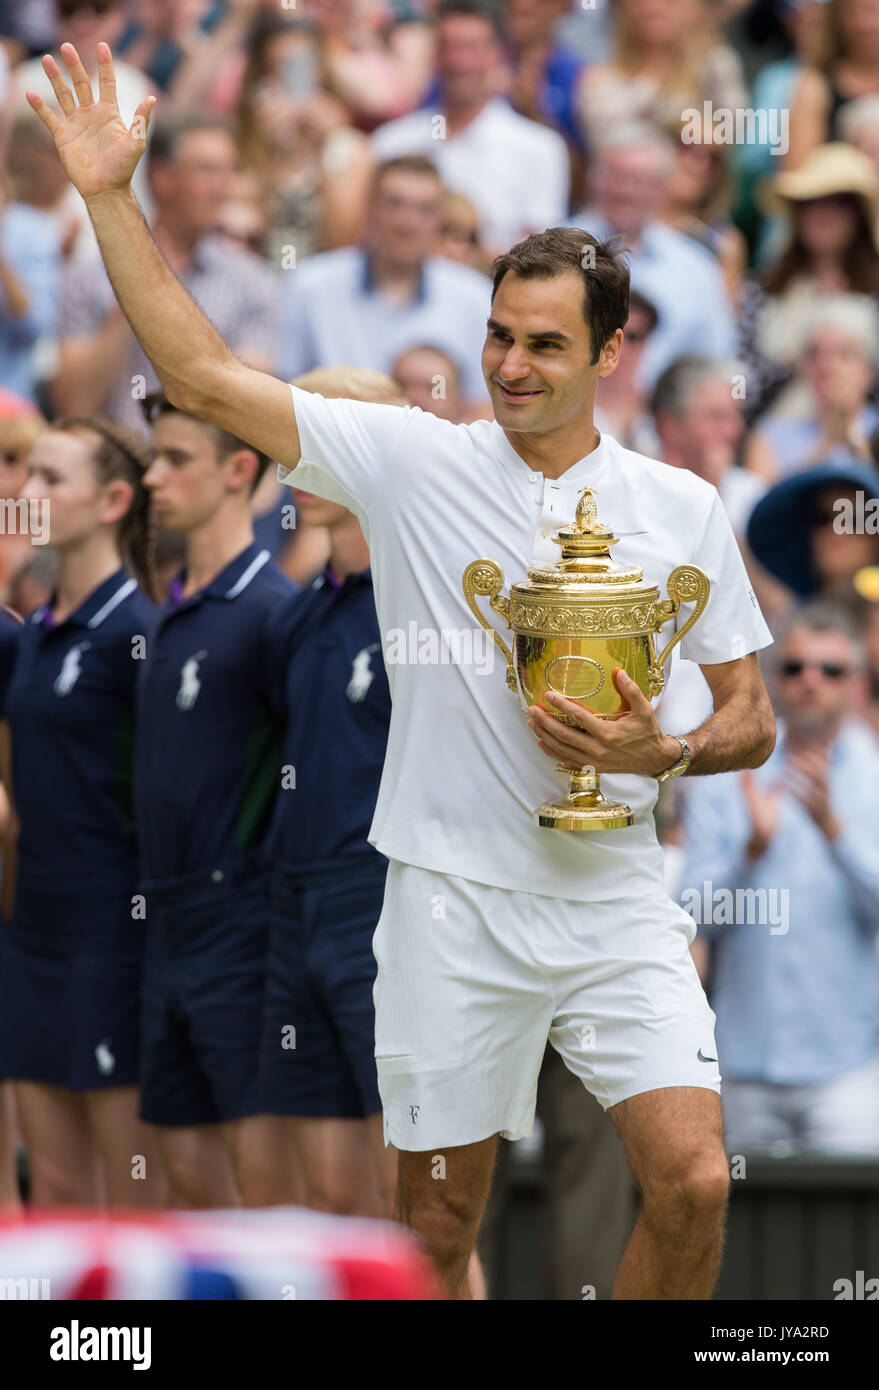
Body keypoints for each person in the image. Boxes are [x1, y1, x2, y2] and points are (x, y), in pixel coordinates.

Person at [30, 44, 778, 1300]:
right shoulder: (411, 458)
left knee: (697, 1182)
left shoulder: (684, 505)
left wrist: (671, 750)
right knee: (429, 1236)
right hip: (444, 903)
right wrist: (111, 194)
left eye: (546, 343)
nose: (513, 366)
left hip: (611, 897)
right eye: (498, 336)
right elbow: (208, 375)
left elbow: (749, 711)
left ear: (610, 352)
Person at [134, 389, 299, 1209]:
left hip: (241, 929)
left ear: (240, 470)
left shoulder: (274, 612)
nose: (153, 479)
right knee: (186, 1188)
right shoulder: (166, 614)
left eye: (175, 460)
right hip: (160, 926)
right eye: (150, 459)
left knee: (262, 1196)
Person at [0, 414, 165, 1207]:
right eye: (27, 475)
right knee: (58, 1195)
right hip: (35, 935)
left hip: (115, 940)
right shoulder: (35, 637)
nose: (26, 494)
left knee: (136, 1197)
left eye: (50, 480)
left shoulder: (138, 633)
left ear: (113, 502)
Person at [681, 602, 879, 1155]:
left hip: (850, 1066)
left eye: (830, 670)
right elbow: (690, 917)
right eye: (795, 668)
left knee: (853, 1231)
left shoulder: (875, 777)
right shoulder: (726, 778)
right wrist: (749, 850)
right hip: (745, 1061)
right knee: (746, 1232)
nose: (811, 681)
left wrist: (836, 832)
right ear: (775, 681)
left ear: (857, 685)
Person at [52, 108, 282, 431]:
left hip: (201, 471)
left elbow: (252, 406)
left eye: (229, 172)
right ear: (162, 179)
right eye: (207, 171)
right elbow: (75, 402)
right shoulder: (88, 277)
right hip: (114, 466)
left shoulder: (252, 281)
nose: (222, 188)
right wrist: (135, 283)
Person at [279, 156, 492, 409]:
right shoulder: (311, 287)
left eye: (424, 209)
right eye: (394, 204)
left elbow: (483, 408)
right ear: (369, 209)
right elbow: (283, 389)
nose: (408, 221)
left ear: (439, 219)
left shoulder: (474, 299)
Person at [371, 0, 570, 255]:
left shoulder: (541, 149)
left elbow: (540, 261)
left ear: (497, 54)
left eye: (472, 48)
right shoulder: (391, 143)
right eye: (448, 46)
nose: (459, 61)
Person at [571, 124, 738, 390]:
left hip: (665, 421)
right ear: (593, 180)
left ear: (661, 188)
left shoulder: (696, 267)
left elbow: (719, 360)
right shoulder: (557, 250)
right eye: (613, 176)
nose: (623, 191)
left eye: (637, 180)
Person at [737, 142, 879, 424]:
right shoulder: (761, 292)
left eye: (838, 203)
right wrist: (804, 350)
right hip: (773, 448)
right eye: (809, 202)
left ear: (858, 217)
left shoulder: (875, 298)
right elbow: (742, 386)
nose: (821, 214)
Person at [743, 294, 879, 481]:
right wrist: (827, 444)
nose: (828, 365)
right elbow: (759, 505)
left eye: (844, 354)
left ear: (869, 369)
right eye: (815, 353)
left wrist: (855, 441)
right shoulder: (770, 435)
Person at [786, 0, 879, 168]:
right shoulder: (815, 86)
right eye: (853, 12)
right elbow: (796, 175)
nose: (864, 24)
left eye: (873, 11)